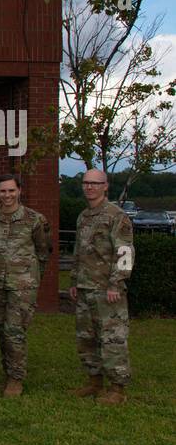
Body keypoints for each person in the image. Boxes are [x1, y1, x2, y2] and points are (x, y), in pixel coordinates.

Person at [0, 174, 50, 397]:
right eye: (3, 191)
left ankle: (15, 378)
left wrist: (32, 278)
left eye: (11, 190)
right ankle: (7, 369)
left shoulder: (34, 220)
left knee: (15, 331)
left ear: (19, 191)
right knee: (1, 329)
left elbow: (43, 252)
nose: (7, 195)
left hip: (22, 286)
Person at [69, 168, 134, 405]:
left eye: (95, 183)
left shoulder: (116, 216)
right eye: (86, 183)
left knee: (112, 339)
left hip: (108, 290)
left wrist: (116, 283)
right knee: (86, 338)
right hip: (86, 287)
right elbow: (79, 252)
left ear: (106, 186)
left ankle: (117, 388)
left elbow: (125, 251)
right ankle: (94, 382)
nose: (90, 187)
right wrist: (74, 280)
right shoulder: (83, 216)